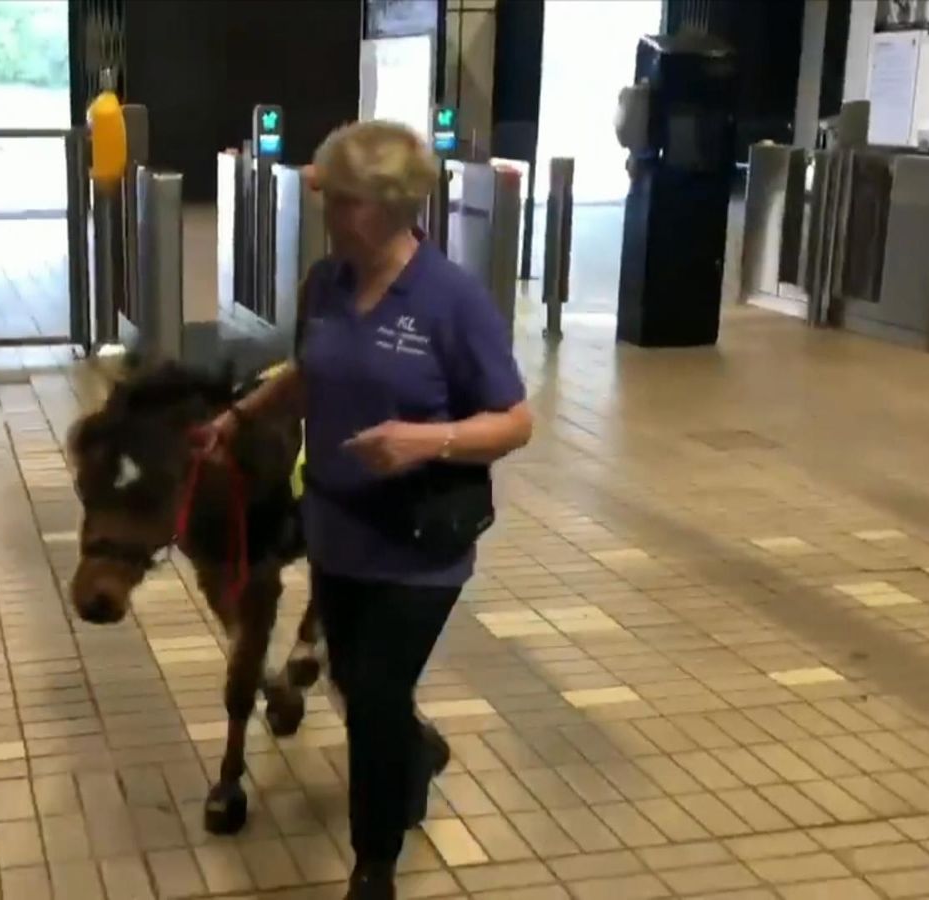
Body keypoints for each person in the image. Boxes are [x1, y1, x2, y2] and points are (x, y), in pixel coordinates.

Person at [199, 120, 532, 900]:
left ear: (378, 208)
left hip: (421, 545)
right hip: (337, 533)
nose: (324, 210)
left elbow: (514, 420)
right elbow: (312, 375)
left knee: (374, 699)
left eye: (337, 198)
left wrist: (428, 440)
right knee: (357, 682)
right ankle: (413, 755)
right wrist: (242, 417)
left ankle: (372, 863)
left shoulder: (451, 301)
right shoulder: (327, 282)